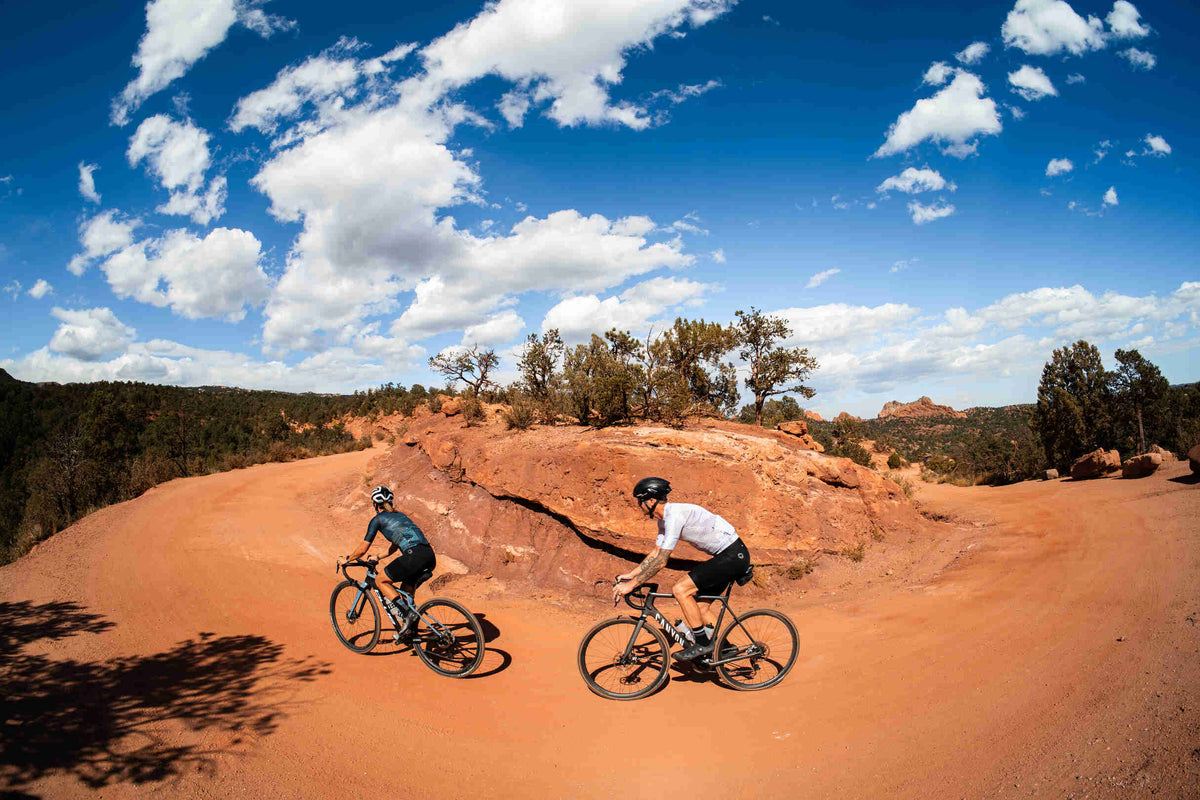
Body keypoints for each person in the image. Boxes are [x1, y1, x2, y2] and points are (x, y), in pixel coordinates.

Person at [613, 476, 751, 661]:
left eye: (640, 501)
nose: (639, 505)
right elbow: (656, 553)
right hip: (729, 555)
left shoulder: (674, 516)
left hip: (733, 555)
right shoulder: (663, 521)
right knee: (701, 608)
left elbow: (662, 561)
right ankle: (725, 648)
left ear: (651, 501)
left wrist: (632, 585)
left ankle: (702, 644)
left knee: (680, 590)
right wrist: (631, 575)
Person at [337, 486, 436, 627]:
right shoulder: (400, 516)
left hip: (413, 556)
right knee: (406, 590)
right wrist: (378, 557)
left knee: (380, 580)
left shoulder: (377, 520)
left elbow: (363, 549)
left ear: (375, 504)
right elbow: (394, 546)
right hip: (429, 555)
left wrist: (347, 560)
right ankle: (410, 629)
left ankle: (408, 614)